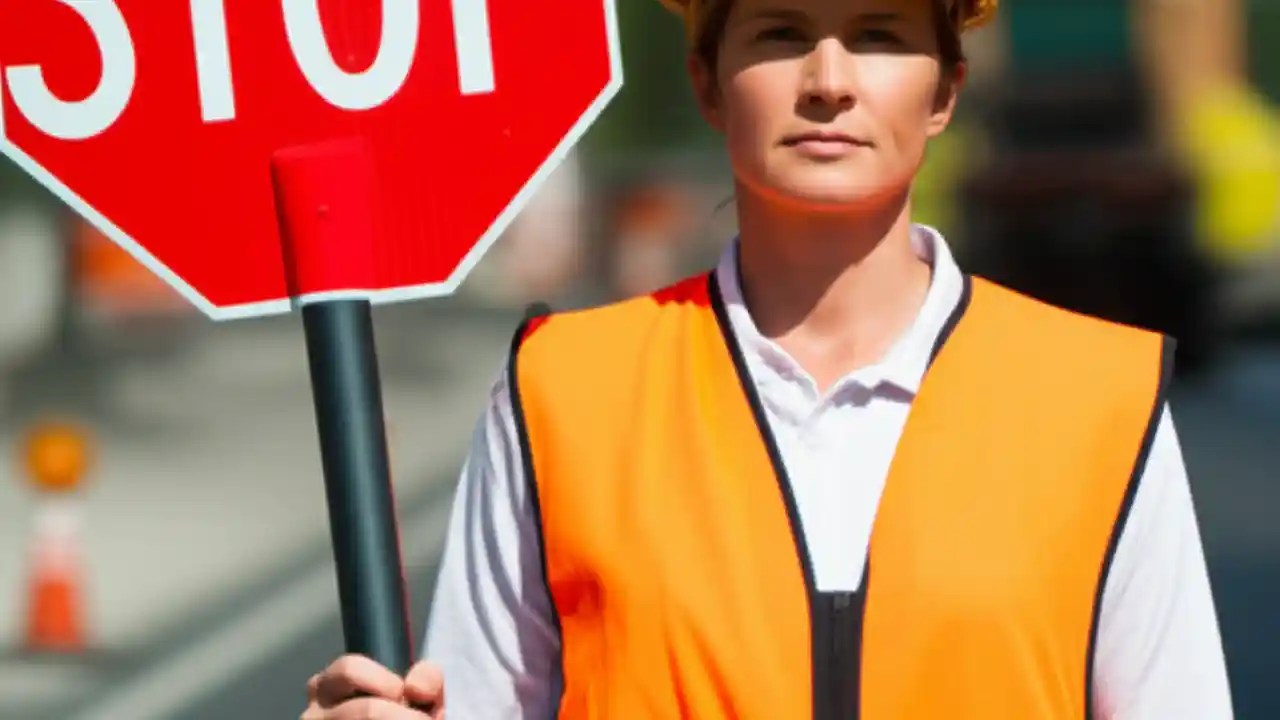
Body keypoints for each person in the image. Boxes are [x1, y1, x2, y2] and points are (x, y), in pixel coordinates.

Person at [301, 0, 1234, 717]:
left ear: (946, 89)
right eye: (781, 32)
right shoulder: (561, 394)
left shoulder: (1096, 401)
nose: (828, 79)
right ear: (707, 81)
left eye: (876, 33)